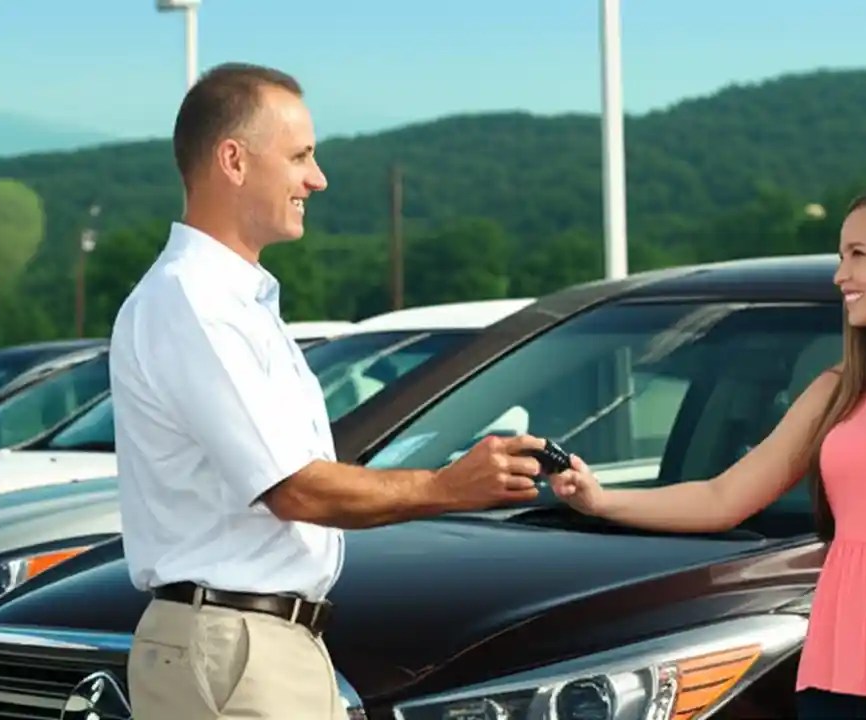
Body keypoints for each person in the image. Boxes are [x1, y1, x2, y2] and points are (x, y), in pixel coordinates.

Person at [108, 63, 547, 720]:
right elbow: (295, 488)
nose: (318, 178)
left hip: (258, 644)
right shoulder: (192, 303)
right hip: (237, 651)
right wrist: (447, 487)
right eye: (300, 156)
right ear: (233, 159)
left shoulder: (228, 302)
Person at [550, 180, 866, 719]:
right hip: (836, 670)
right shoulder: (836, 393)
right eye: (841, 256)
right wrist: (602, 500)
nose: (841, 275)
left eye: (858, 255)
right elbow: (723, 496)